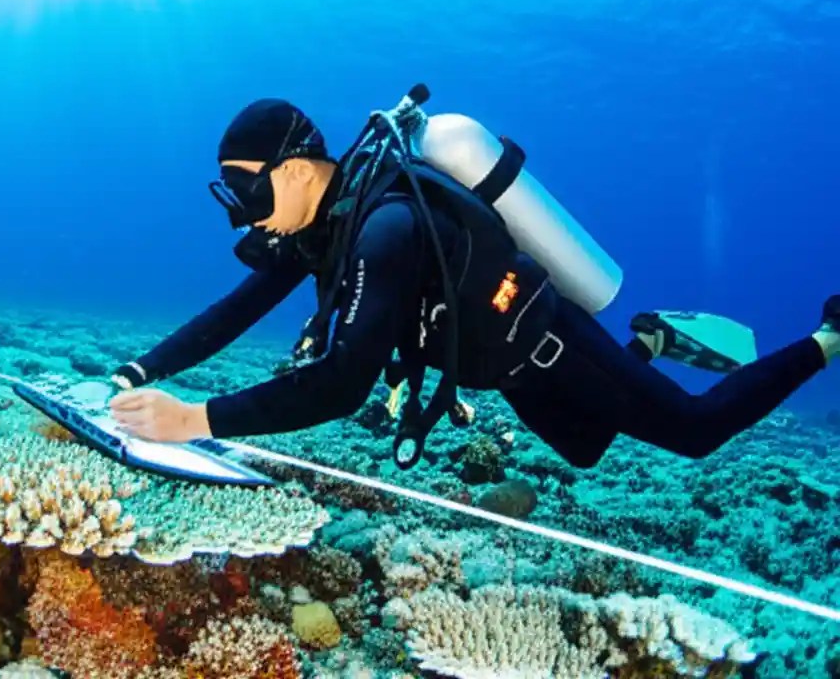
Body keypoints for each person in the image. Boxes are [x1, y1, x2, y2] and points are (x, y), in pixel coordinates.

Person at [106, 94, 838, 470]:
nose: (244, 218)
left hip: (545, 340)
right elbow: (235, 309)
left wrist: (194, 420)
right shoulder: (323, 227)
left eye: (248, 194)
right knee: (586, 448)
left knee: (695, 430)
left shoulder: (384, 227)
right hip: (500, 366)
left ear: (294, 171)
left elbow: (338, 387)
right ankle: (647, 340)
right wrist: (138, 372)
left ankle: (827, 337)